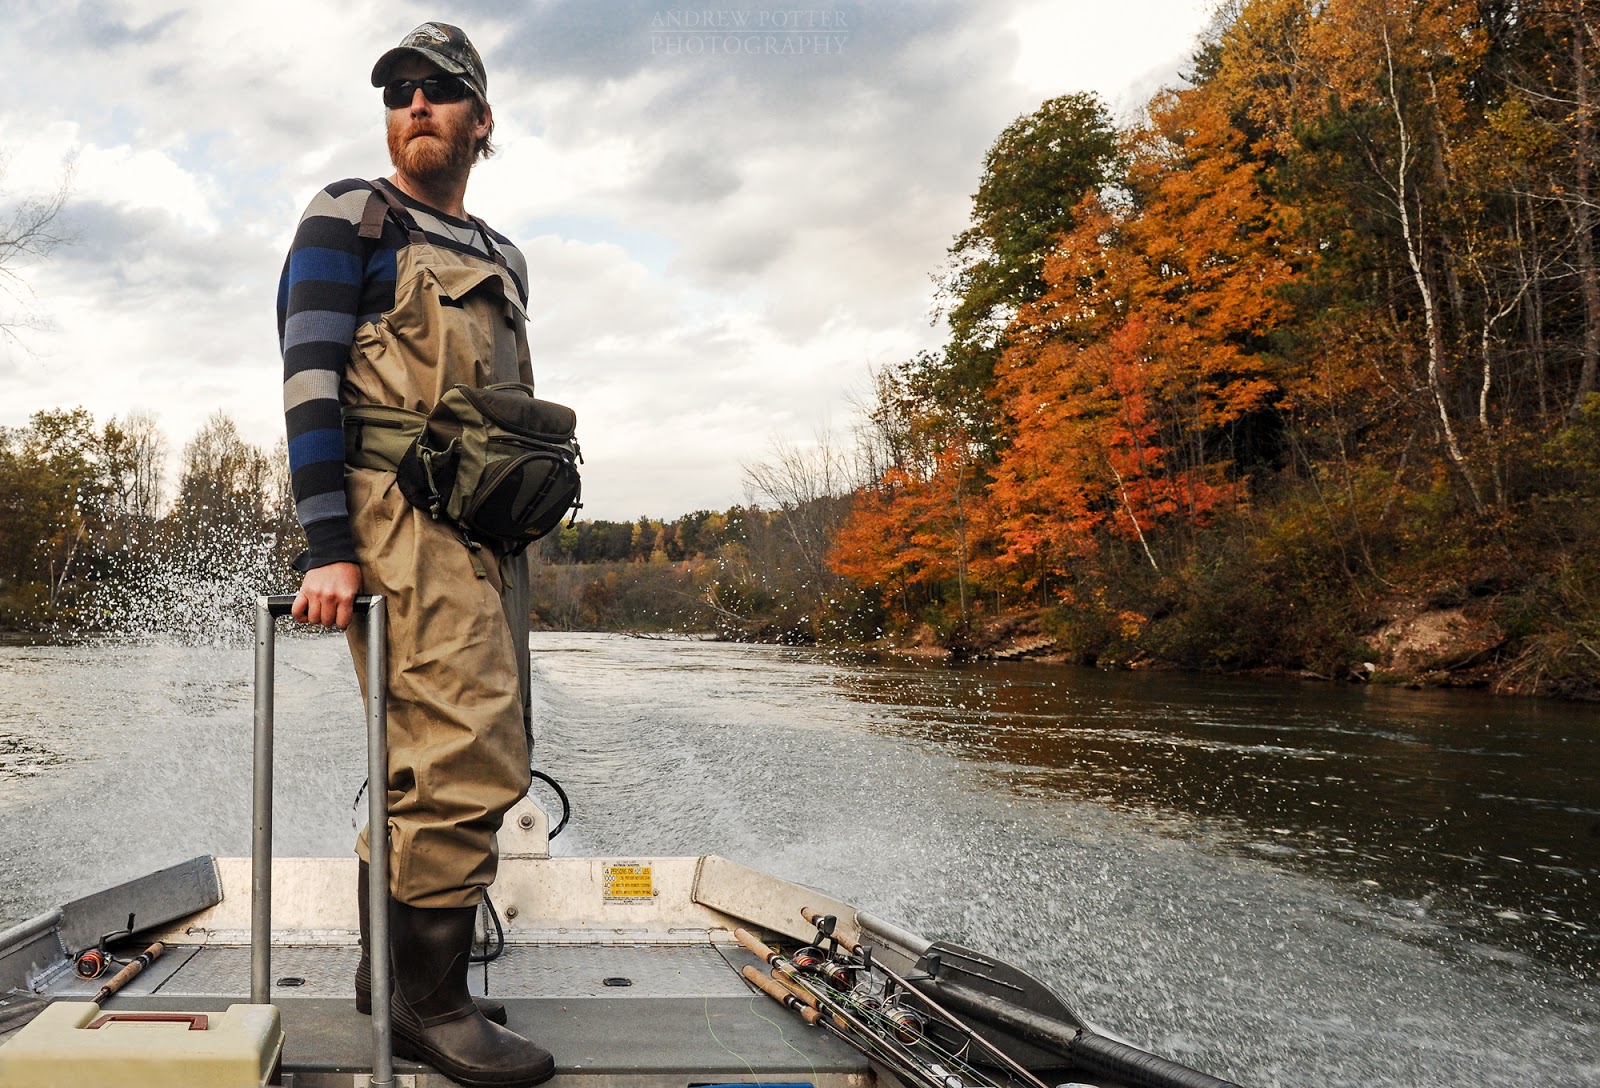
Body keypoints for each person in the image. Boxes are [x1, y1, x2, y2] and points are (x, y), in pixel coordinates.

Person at [276, 22, 553, 1088]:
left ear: (481, 119)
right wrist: (328, 545)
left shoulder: (504, 255)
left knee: (426, 753)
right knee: (469, 746)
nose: (416, 105)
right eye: (399, 91)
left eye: (441, 90)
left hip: (484, 530)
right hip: (390, 515)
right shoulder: (351, 212)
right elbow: (307, 374)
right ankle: (431, 1004)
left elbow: (508, 409)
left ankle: (377, 972)